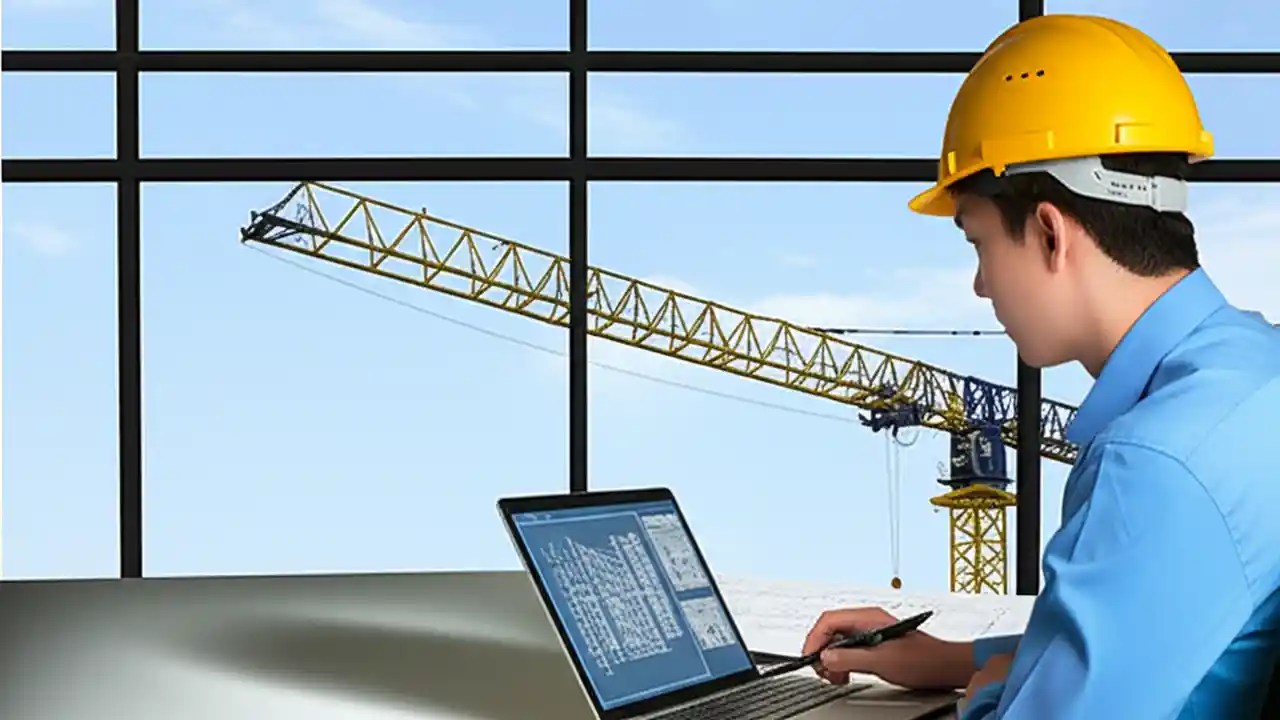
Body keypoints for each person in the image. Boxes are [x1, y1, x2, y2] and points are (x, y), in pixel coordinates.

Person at [801, 13, 1280, 719]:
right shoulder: (1253, 373)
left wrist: (984, 689)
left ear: (1051, 232)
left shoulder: (1153, 465)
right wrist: (954, 657)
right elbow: (1158, 625)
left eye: (978, 243)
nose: (981, 285)